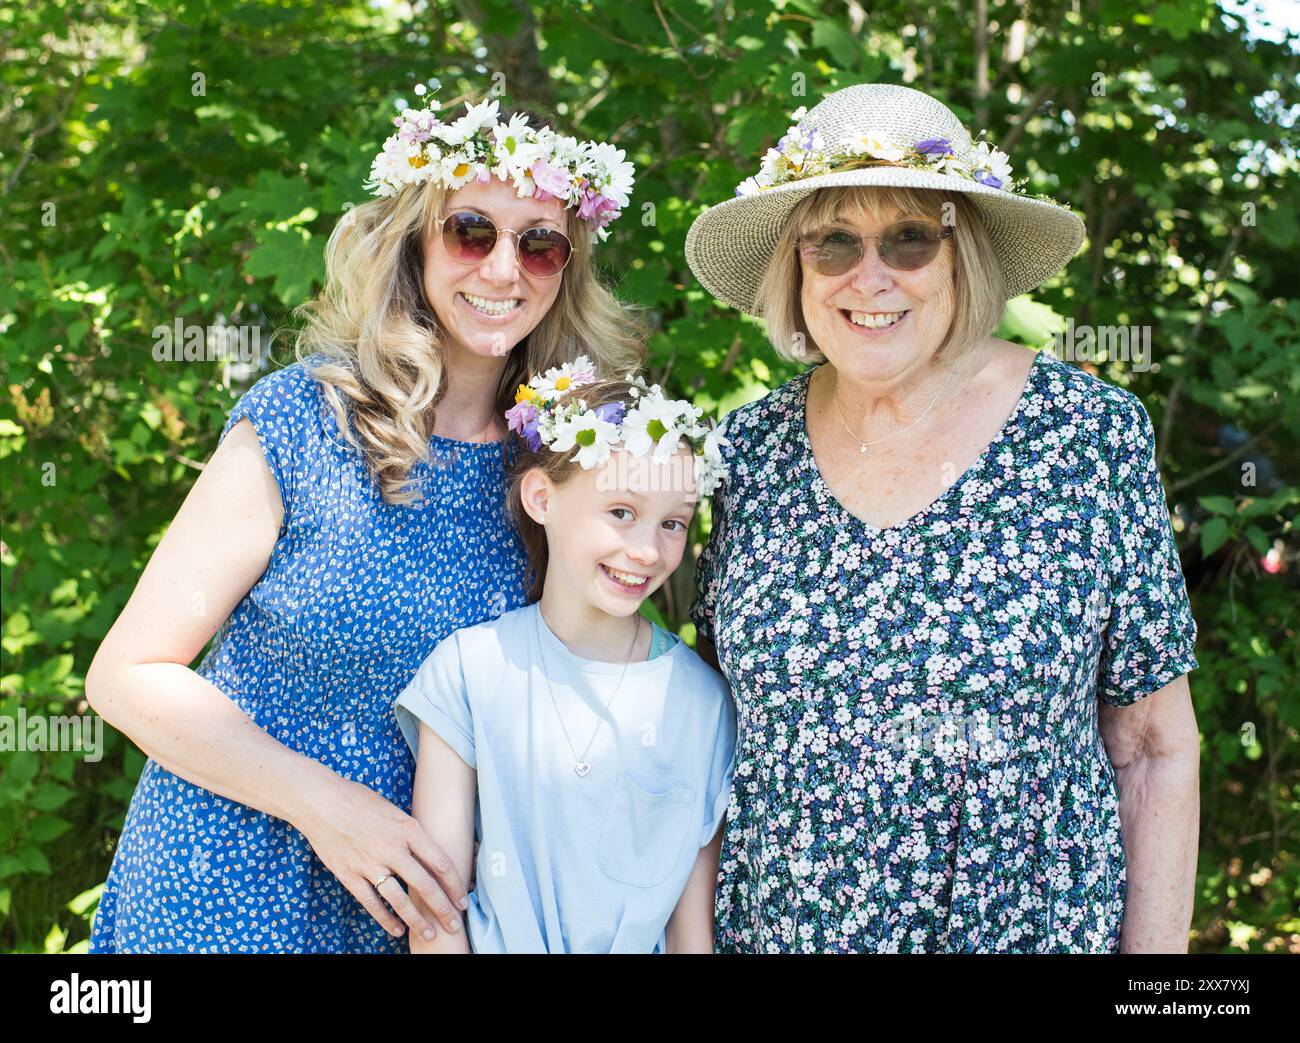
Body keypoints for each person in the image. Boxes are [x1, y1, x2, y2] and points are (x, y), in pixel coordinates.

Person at [84, 85, 643, 952]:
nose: (503, 269)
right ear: (416, 240)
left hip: (423, 915)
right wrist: (327, 806)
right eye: (471, 231)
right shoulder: (304, 417)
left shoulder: (566, 463)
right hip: (226, 883)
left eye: (540, 247)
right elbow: (126, 673)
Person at [682, 83, 1201, 953]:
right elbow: (706, 738)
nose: (869, 277)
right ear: (795, 267)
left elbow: (1153, 747)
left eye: (910, 238)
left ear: (965, 257)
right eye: (833, 242)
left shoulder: (1088, 435)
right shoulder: (749, 450)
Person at [393, 360, 736, 952]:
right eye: (621, 512)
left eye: (674, 523)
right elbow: (437, 916)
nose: (648, 550)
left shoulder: (703, 703)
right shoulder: (470, 672)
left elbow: (691, 934)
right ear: (542, 497)